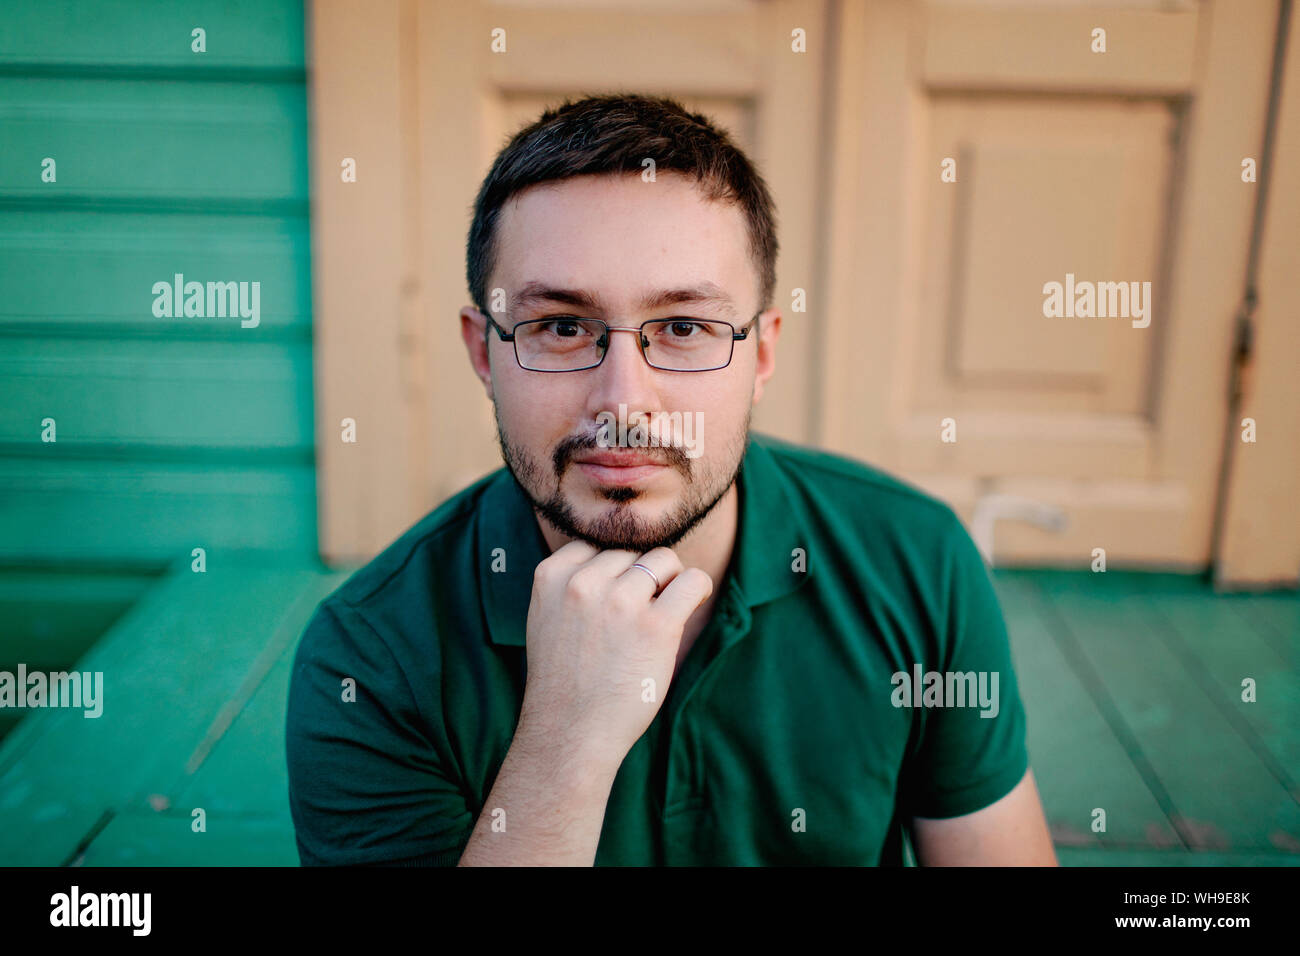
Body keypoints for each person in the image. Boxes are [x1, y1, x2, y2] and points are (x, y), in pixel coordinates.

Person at [285, 93, 1057, 866]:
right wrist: (564, 747)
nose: (623, 399)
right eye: (561, 326)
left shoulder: (918, 562)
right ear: (484, 352)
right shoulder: (369, 659)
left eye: (684, 327)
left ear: (761, 355)